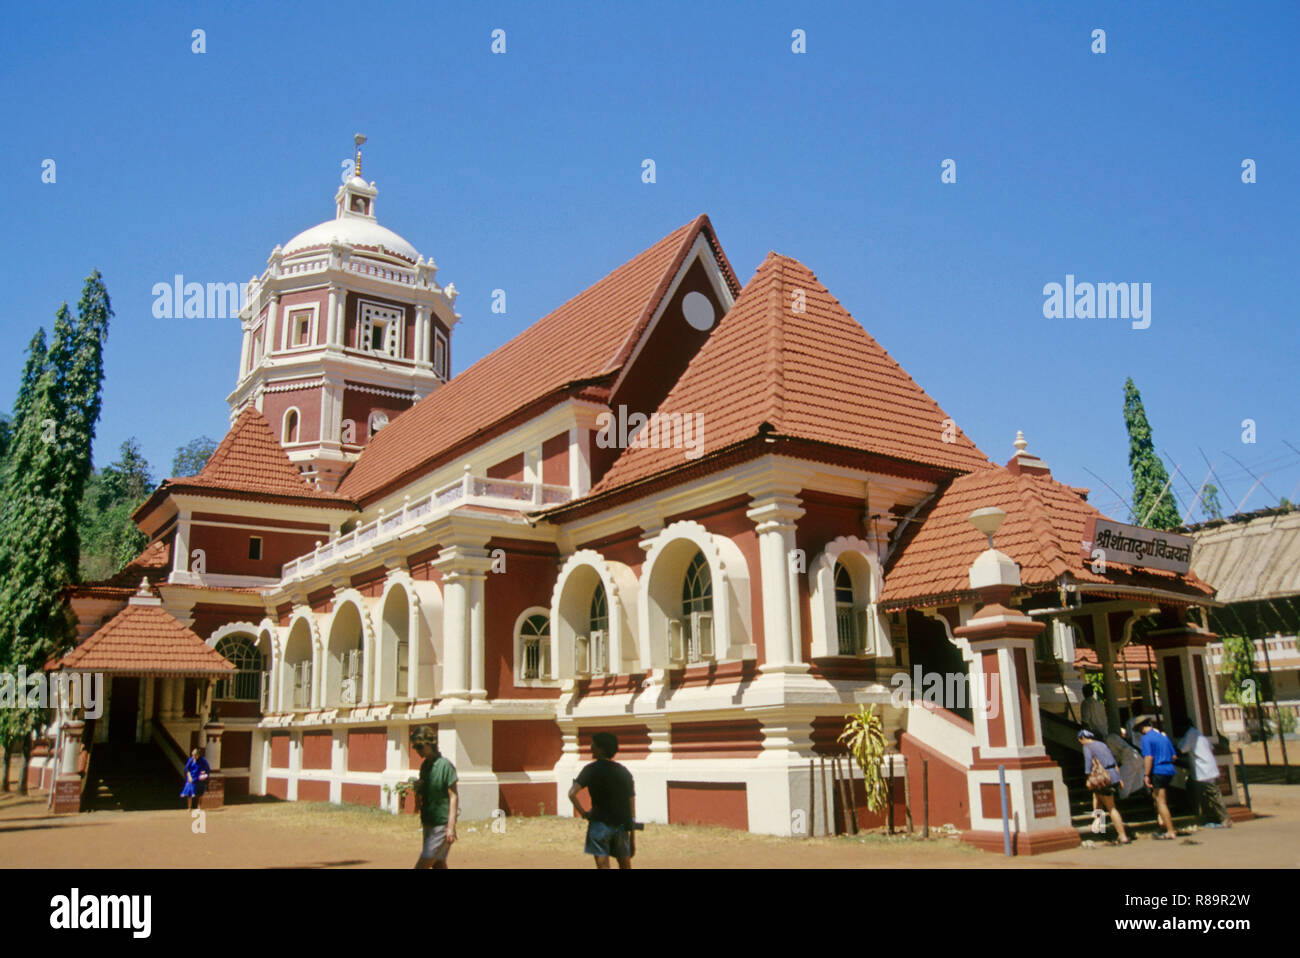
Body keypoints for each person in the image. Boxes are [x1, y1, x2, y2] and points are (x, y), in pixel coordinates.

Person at [568, 731, 635, 869]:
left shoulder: (590, 770)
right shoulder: (623, 772)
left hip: (599, 824)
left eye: (593, 745)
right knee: (625, 865)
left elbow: (572, 793)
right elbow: (631, 805)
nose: (591, 747)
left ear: (601, 749)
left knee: (603, 866)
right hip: (621, 824)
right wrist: (632, 835)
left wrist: (583, 813)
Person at [410, 726, 458, 869]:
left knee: (425, 861)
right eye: (415, 747)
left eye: (420, 746)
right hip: (428, 820)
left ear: (430, 744)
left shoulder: (445, 766)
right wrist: (418, 788)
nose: (417, 750)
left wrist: (451, 826)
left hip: (441, 823)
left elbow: (453, 796)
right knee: (438, 863)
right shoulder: (425, 766)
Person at [1079, 729, 1130, 844]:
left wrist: (1088, 778)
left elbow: (1088, 764)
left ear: (1083, 738)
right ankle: (1099, 824)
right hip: (1112, 775)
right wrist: (1119, 778)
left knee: (1111, 807)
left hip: (1103, 778)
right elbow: (1113, 761)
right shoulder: (1102, 744)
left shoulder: (1087, 746)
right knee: (1097, 796)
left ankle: (1122, 835)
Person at [1177, 723, 1231, 829]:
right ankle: (1214, 818)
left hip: (1204, 772)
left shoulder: (1190, 735)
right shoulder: (1199, 734)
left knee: (1212, 796)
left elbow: (1181, 749)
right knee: (1208, 796)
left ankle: (1224, 819)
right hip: (1206, 770)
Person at [1136, 717, 1179, 839]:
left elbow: (1148, 757)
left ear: (1141, 728)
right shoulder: (1163, 736)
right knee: (1158, 798)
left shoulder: (1146, 738)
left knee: (1161, 801)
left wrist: (1146, 775)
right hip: (1169, 769)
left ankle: (1170, 830)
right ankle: (1163, 823)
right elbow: (1174, 756)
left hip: (1158, 770)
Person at [180, 747, 210, 811]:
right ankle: (189, 807)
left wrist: (204, 774)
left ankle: (199, 807)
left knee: (200, 793)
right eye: (193, 755)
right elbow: (187, 769)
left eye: (195, 755)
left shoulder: (203, 761)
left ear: (198, 755)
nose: (194, 757)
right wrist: (189, 777)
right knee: (189, 793)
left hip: (199, 778)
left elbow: (207, 769)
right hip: (191, 777)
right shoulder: (190, 760)